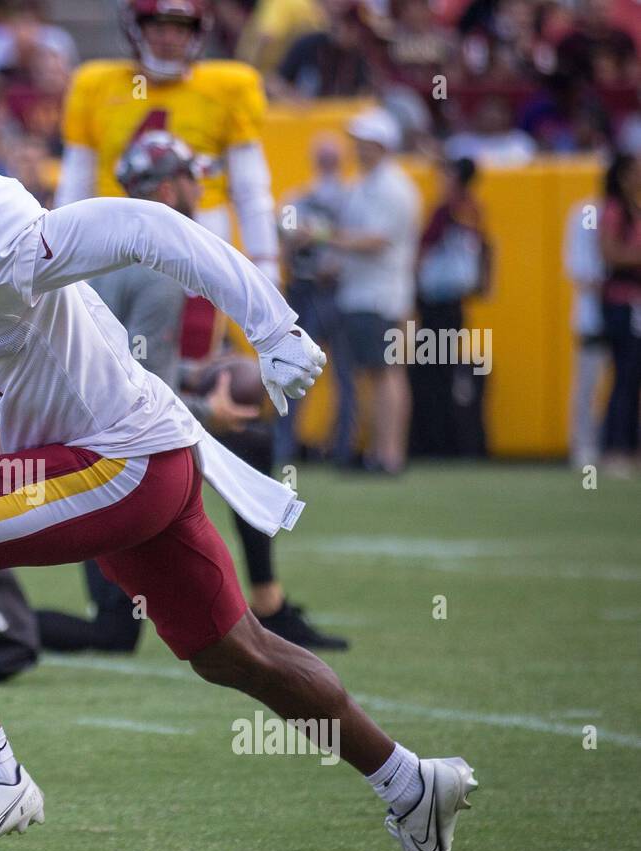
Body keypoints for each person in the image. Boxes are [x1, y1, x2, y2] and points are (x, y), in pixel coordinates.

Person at [0, 60, 476, 851]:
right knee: (236, 653)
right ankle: (410, 782)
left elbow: (148, 227)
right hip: (129, 454)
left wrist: (271, 322)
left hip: (118, 456)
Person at [37, 131, 347, 653]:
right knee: (114, 633)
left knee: (246, 444)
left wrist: (191, 372)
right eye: (188, 178)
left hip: (70, 422)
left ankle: (267, 604)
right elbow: (135, 391)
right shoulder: (153, 271)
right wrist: (211, 409)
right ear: (166, 189)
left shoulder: (94, 245)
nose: (199, 190)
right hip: (107, 446)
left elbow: (113, 357)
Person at [57, 0, 281, 359]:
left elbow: (251, 190)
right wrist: (63, 258)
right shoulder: (95, 84)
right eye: (158, 27)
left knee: (187, 361)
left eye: (180, 28)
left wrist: (267, 262)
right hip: (115, 242)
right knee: (104, 360)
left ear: (197, 32)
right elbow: (75, 182)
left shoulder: (228, 86)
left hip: (197, 242)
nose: (169, 38)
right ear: (137, 29)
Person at [328, 108, 420, 474]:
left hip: (382, 295)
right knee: (377, 374)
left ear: (381, 145)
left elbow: (376, 240)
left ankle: (389, 455)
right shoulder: (368, 184)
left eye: (364, 143)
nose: (358, 149)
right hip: (365, 293)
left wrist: (323, 239)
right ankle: (381, 452)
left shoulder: (392, 187)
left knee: (387, 373)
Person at [412, 156, 492, 458]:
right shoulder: (474, 211)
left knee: (431, 372)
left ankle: (433, 442)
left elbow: (423, 250)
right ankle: (446, 441)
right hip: (455, 303)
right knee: (443, 370)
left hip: (436, 304)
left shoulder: (447, 212)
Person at [276, 133, 347, 463]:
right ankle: (284, 448)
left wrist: (314, 234)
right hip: (304, 288)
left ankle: (342, 449)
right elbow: (288, 233)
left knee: (344, 374)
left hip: (338, 289)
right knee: (294, 369)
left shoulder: (349, 198)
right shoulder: (298, 197)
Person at [598, 153, 641, 476]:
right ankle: (615, 448)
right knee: (625, 374)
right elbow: (610, 253)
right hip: (622, 302)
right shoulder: (615, 211)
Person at [564, 193, 608, 469]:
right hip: (597, 316)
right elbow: (580, 270)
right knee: (588, 383)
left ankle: (622, 445)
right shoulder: (587, 213)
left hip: (628, 314)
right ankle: (584, 448)